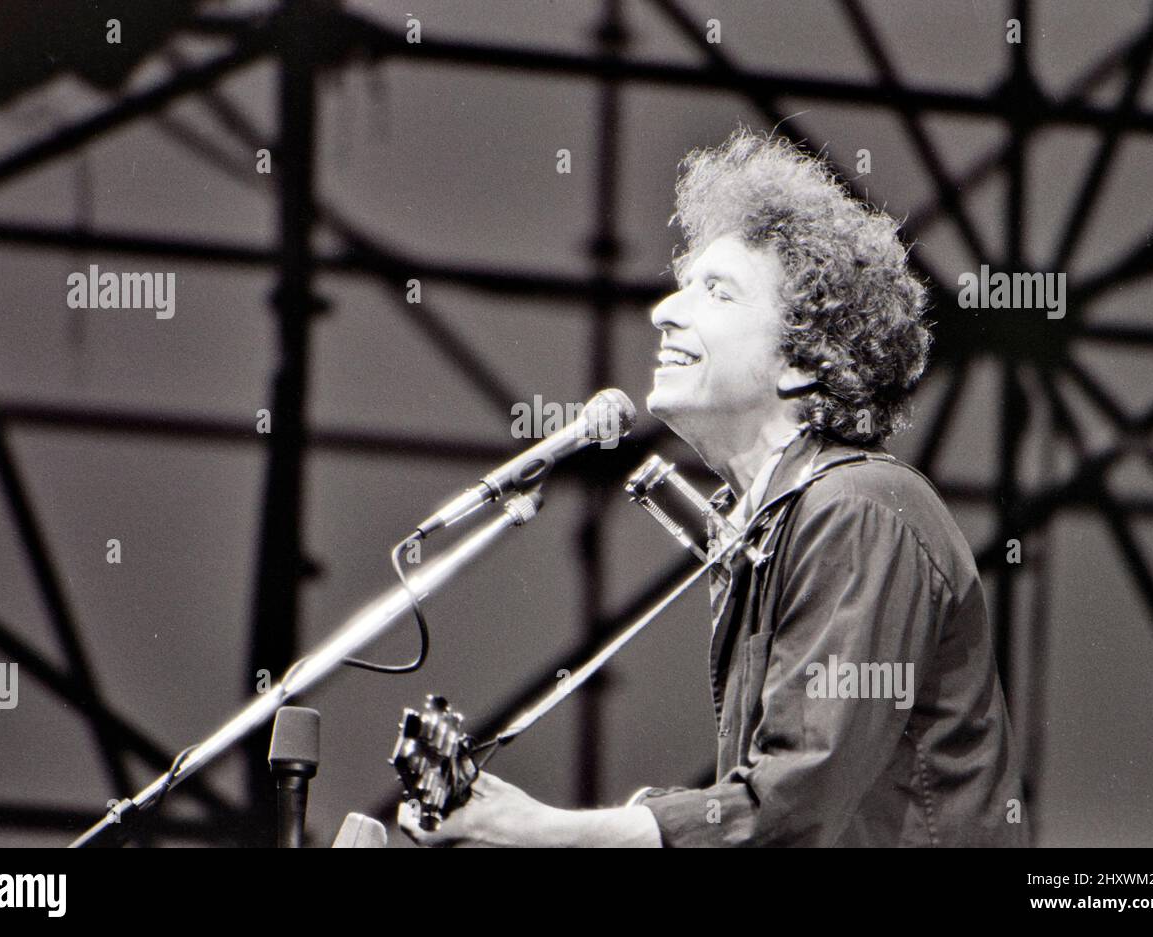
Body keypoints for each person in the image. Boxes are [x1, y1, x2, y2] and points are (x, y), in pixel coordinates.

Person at [400, 127, 1026, 847]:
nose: (664, 310)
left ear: (801, 356)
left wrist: (541, 830)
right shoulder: (763, 527)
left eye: (716, 292)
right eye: (681, 285)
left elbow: (790, 806)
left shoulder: (857, 511)